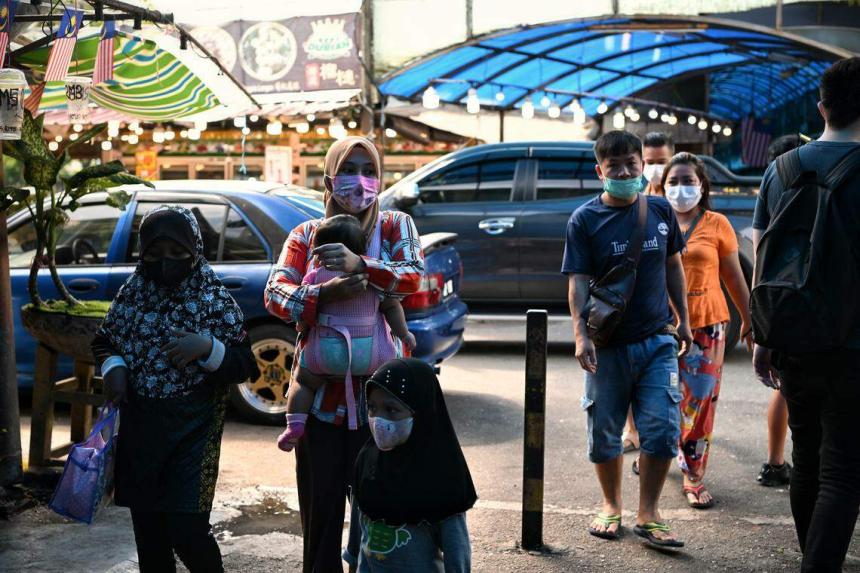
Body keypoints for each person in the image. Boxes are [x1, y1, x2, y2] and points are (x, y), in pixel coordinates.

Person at [264, 136, 424, 573]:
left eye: (368, 170)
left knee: (382, 513)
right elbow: (275, 294)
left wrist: (362, 267)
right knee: (321, 509)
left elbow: (411, 277)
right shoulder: (306, 235)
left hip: (381, 406)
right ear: (329, 179)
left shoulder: (395, 226)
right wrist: (323, 293)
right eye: (349, 169)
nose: (360, 180)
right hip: (318, 404)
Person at [92, 205, 260, 573]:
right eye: (154, 254)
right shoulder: (132, 293)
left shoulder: (215, 300)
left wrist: (208, 348)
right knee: (150, 537)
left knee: (188, 532)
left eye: (176, 254)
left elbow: (246, 364)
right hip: (140, 430)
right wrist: (114, 367)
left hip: (194, 432)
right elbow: (105, 340)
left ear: (194, 251)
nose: (164, 263)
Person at [752, 56, 860, 572]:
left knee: (808, 462)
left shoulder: (781, 168)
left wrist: (761, 335)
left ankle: (812, 559)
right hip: (854, 346)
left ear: (821, 107)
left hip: (793, 337)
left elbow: (763, 258)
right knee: (843, 473)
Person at [563, 130, 693, 549]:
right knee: (604, 433)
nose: (623, 171)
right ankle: (610, 505)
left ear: (641, 166)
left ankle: (650, 514)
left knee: (661, 432)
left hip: (657, 341)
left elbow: (674, 267)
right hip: (608, 347)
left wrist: (684, 321)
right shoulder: (584, 220)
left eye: (630, 164)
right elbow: (578, 283)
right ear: (599, 171)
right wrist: (581, 336)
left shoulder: (659, 211)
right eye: (613, 165)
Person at [276, 213, 417, 451]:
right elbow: (392, 305)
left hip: (324, 354)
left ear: (319, 252)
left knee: (303, 382)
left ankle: (294, 425)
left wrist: (304, 324)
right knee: (387, 382)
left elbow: (302, 315)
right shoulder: (373, 278)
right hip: (372, 356)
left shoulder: (314, 277)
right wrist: (404, 335)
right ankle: (394, 432)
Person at [659, 152, 753, 508]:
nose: (681, 188)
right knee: (660, 399)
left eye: (688, 181)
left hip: (708, 327)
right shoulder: (655, 219)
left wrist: (748, 318)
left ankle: (692, 475)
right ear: (662, 186)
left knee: (698, 405)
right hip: (662, 327)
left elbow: (733, 276)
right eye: (674, 181)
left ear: (702, 185)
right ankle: (661, 454)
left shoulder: (717, 224)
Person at [352, 358, 476, 572]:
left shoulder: (443, 477)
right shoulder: (368, 461)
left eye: (391, 410)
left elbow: (457, 550)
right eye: (372, 408)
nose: (378, 420)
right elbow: (359, 522)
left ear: (421, 412)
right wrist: (353, 561)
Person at [756, 134, 805, 488]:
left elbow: (762, 261)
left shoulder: (772, 184)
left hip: (783, 308)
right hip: (823, 316)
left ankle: (776, 463)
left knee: (785, 386)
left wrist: (761, 331)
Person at [642, 131, 675, 197]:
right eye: (650, 162)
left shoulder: (680, 197)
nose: (655, 169)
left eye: (661, 162)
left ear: (673, 161)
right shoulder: (638, 194)